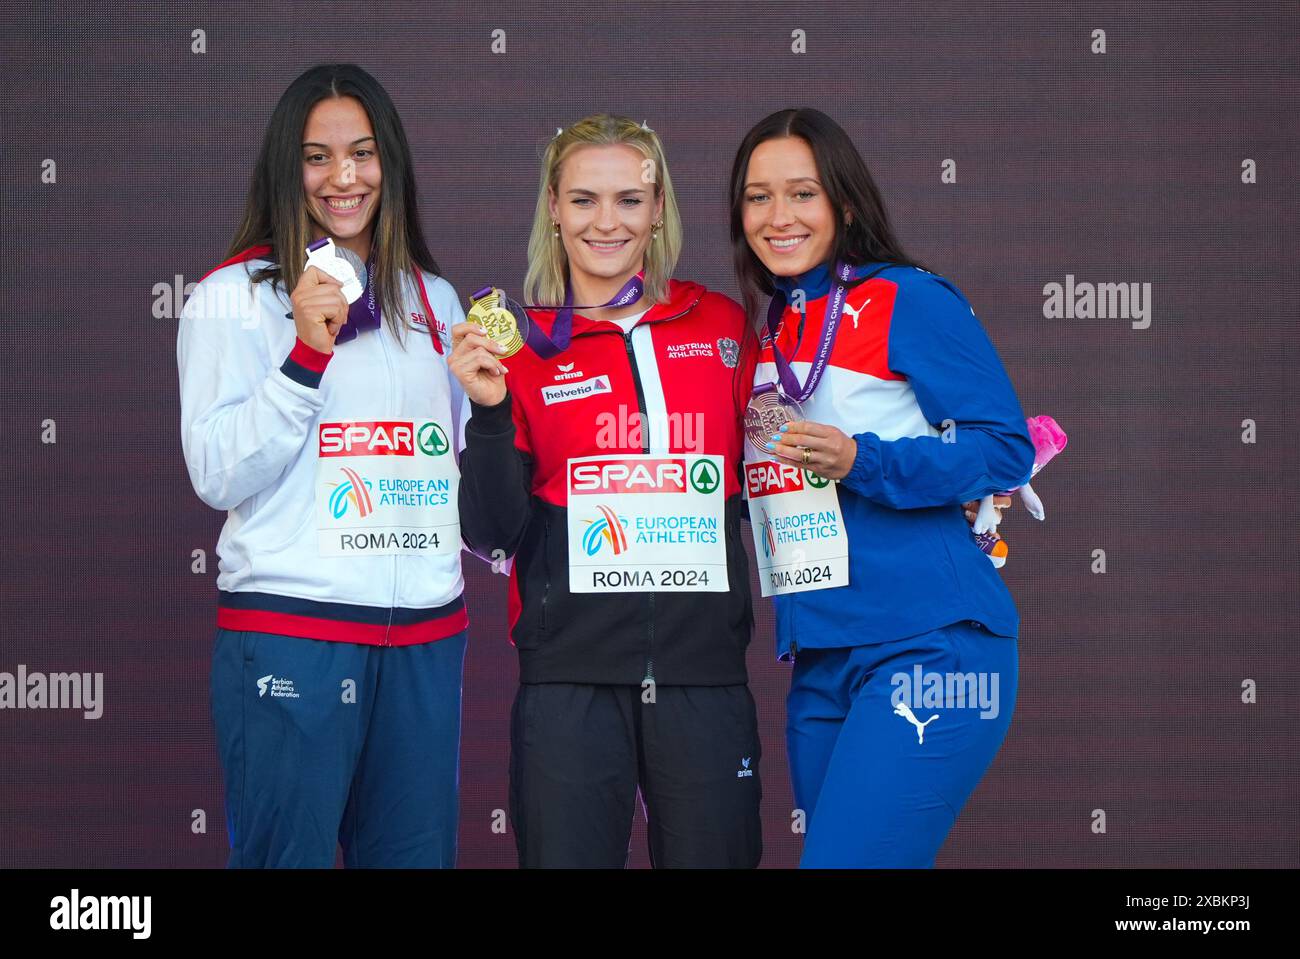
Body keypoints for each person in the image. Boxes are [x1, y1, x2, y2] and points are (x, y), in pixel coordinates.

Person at [177, 64, 468, 868]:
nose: (345, 177)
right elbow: (216, 472)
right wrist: (305, 354)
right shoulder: (231, 296)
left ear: (390, 162)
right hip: (294, 633)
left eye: (363, 153)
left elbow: (461, 477)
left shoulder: (434, 300)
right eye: (318, 156)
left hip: (423, 641)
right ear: (288, 166)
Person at [452, 114, 762, 868]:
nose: (606, 221)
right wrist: (489, 413)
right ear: (553, 209)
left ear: (658, 210)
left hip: (703, 676)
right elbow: (490, 532)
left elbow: (782, 471)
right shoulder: (519, 348)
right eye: (584, 199)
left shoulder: (722, 324)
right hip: (569, 682)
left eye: (629, 199)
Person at [729, 108, 1035, 867]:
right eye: (758, 196)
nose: (778, 215)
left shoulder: (908, 297)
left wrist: (863, 460)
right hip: (822, 657)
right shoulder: (773, 328)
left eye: (802, 193)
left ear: (845, 202)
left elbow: (1005, 447)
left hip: (929, 646)